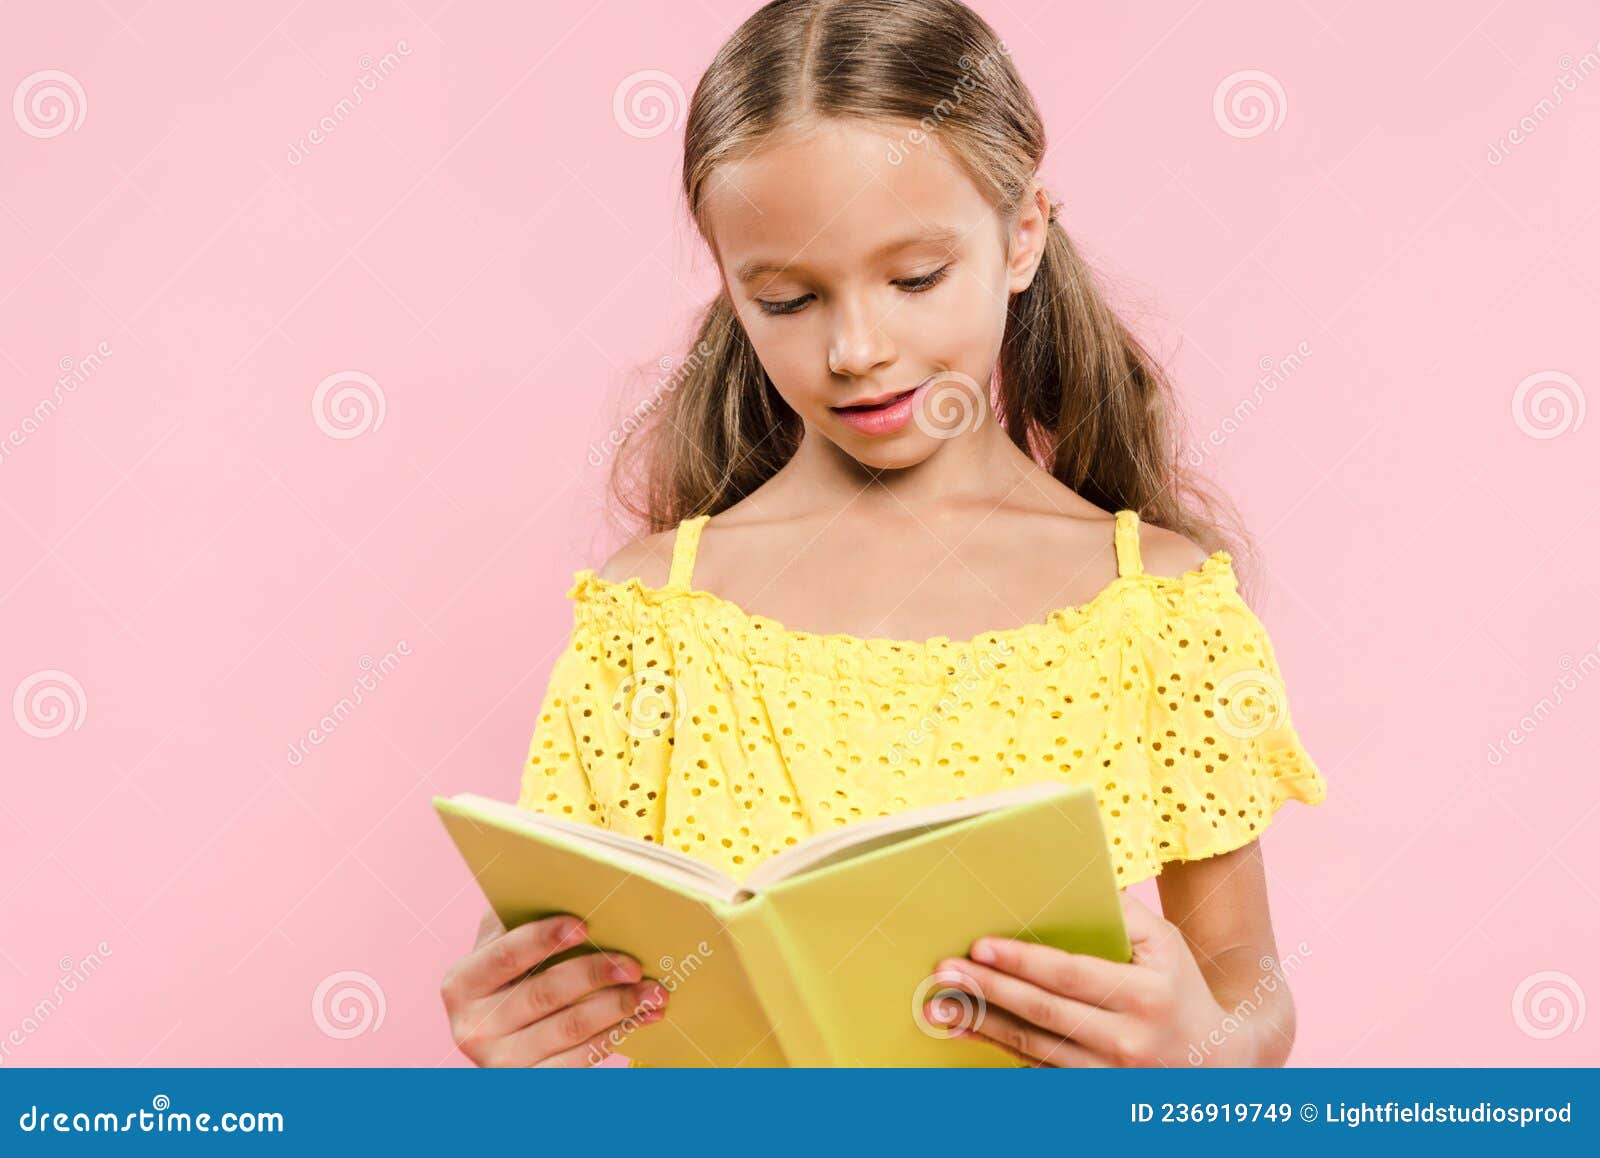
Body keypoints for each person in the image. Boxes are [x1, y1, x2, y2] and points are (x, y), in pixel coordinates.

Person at [441, 0, 1327, 1069]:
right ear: (730, 287)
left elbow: (1247, 974)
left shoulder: (1159, 609)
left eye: (914, 279)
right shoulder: (654, 624)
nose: (856, 349)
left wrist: (1210, 1044)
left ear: (1022, 234)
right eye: (785, 298)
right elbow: (563, 938)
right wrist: (522, 1008)